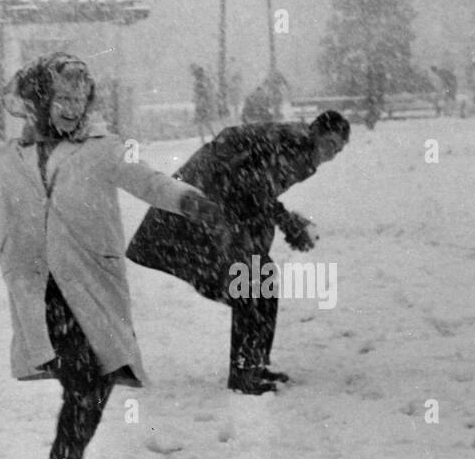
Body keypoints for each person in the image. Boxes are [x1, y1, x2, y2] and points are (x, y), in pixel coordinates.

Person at [0, 36, 224, 459]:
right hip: (37, 289)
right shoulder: (8, 156)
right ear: (37, 102)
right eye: (60, 99)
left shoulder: (104, 149)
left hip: (89, 285)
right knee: (87, 386)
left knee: (91, 387)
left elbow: (148, 179)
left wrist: (188, 201)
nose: (71, 109)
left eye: (78, 100)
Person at [125, 111, 350, 394]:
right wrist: (286, 221)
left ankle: (255, 365)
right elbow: (247, 184)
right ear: (315, 132)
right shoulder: (291, 144)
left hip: (222, 211)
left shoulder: (300, 150)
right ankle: (244, 375)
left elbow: (256, 191)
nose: (331, 154)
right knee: (249, 285)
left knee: (260, 280)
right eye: (329, 144)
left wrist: (284, 222)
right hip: (196, 211)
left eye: (338, 150)